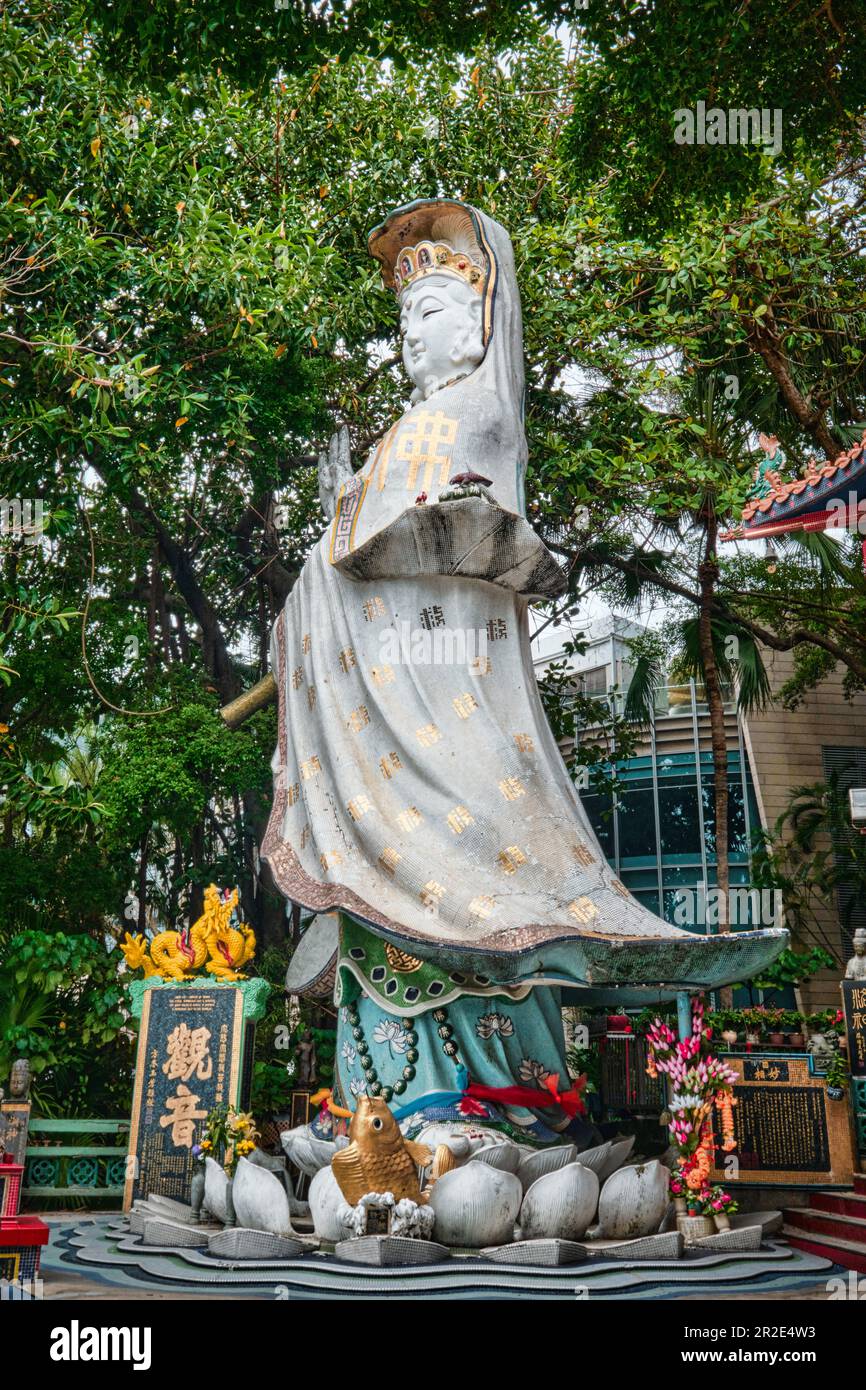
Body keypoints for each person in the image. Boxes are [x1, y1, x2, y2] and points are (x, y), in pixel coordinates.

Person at [264, 199, 785, 1147]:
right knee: (397, 909)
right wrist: (318, 574)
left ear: (478, 322)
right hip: (382, 712)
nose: (408, 339)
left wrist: (346, 539)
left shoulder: (476, 415)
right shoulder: (401, 431)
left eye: (427, 314)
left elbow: (427, 539)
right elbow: (349, 553)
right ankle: (378, 1111)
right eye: (402, 322)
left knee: (480, 878)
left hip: (452, 704)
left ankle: (498, 1113)